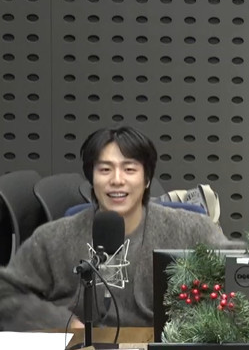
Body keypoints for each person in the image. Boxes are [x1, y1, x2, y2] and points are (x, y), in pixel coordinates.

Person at [0, 126, 235, 331]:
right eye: (105, 170)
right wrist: (62, 322)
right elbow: (5, 292)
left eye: (129, 169)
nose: (117, 180)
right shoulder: (54, 238)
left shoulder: (193, 229)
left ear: (147, 179)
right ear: (91, 179)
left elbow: (240, 281)